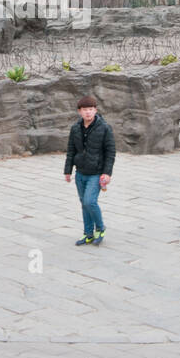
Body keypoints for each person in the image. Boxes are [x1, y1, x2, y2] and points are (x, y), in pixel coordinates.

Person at [63, 95, 115, 246]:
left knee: (89, 201)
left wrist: (107, 173)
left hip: (96, 173)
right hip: (80, 173)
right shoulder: (75, 128)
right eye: (85, 110)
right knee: (84, 204)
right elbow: (71, 150)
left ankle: (100, 228)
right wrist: (68, 170)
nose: (88, 112)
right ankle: (88, 234)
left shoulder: (104, 128)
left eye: (91, 109)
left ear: (95, 110)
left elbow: (110, 152)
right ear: (79, 111)